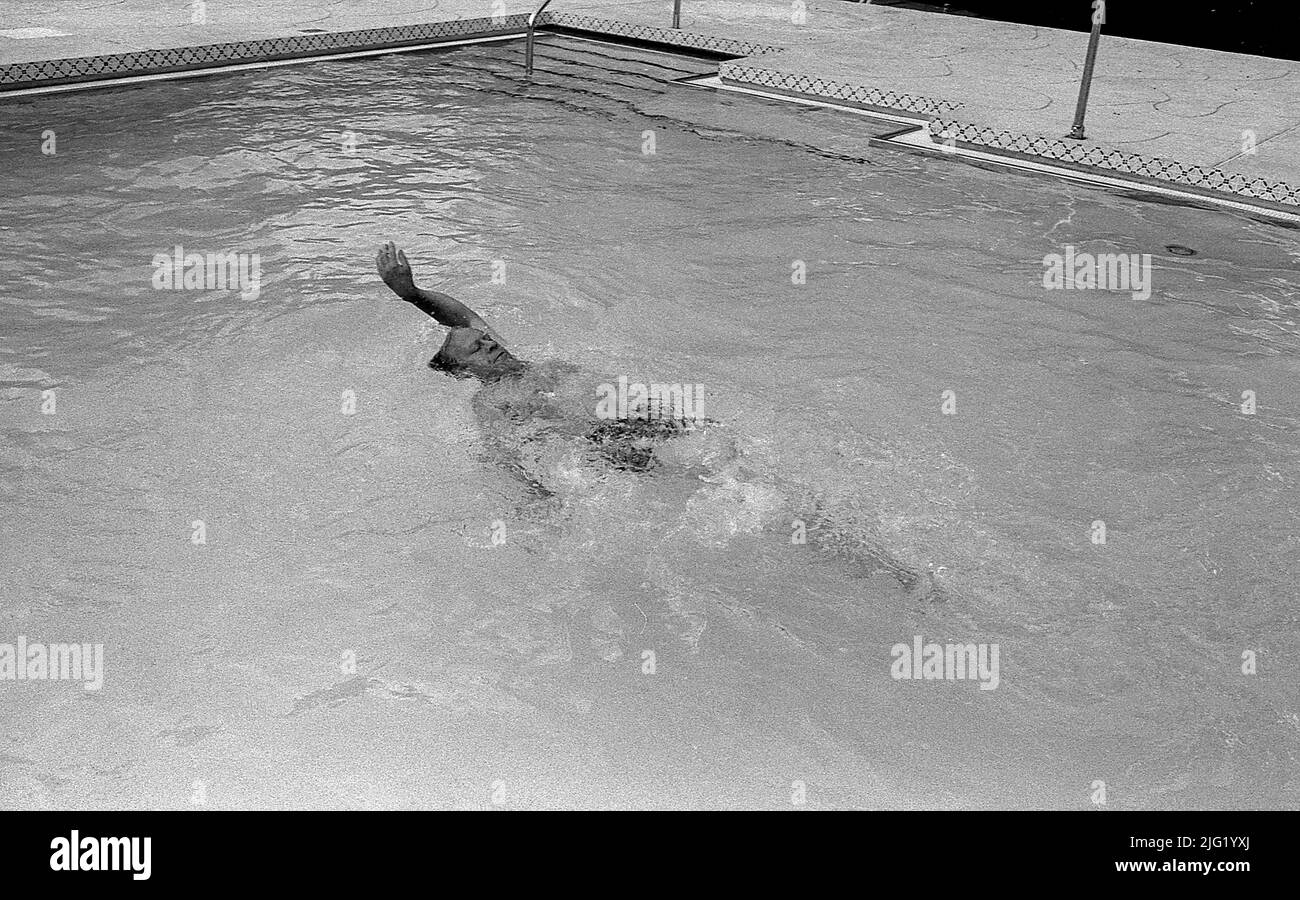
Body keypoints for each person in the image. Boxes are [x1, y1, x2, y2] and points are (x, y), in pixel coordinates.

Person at [376, 242, 526, 380]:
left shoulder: (521, 367)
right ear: (463, 371)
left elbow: (466, 318)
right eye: (477, 348)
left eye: (487, 338)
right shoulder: (493, 402)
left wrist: (413, 294)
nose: (492, 345)